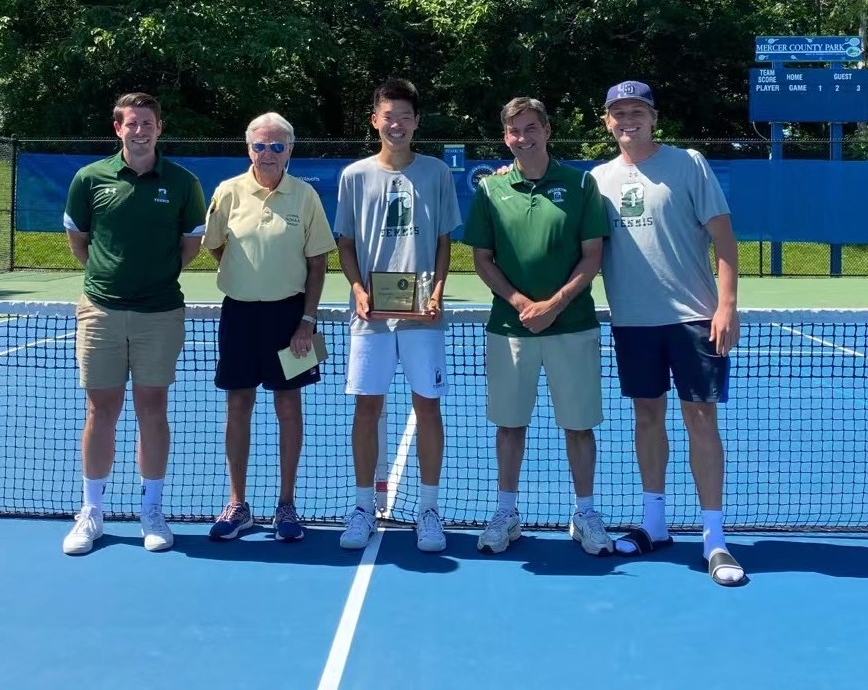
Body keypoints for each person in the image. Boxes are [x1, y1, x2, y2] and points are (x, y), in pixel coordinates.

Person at [590, 80, 745, 586]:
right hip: (632, 322)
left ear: (653, 117)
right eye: (618, 112)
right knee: (646, 417)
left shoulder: (689, 164)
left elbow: (723, 237)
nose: (627, 119)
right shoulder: (597, 179)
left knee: (701, 420)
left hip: (693, 319)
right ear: (607, 121)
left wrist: (726, 306)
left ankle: (714, 538)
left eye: (637, 110)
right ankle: (654, 525)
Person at [462, 97, 612, 556]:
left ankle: (584, 512)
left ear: (547, 130)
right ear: (505, 137)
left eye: (530, 128)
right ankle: (506, 512)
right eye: (513, 131)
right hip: (510, 328)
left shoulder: (581, 184)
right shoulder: (490, 190)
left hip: (573, 327)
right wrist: (522, 302)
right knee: (510, 425)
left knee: (578, 426)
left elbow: (592, 257)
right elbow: (482, 259)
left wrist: (555, 303)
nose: (522, 138)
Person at [60, 92, 207, 555]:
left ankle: (152, 510)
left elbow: (189, 246)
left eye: (148, 123)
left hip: (160, 312)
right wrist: (110, 281)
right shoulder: (89, 179)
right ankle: (92, 511)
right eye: (132, 123)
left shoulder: (183, 183)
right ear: (117, 128)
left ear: (160, 127)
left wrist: (152, 280)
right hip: (100, 311)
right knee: (100, 411)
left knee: (152, 409)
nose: (139, 131)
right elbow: (78, 241)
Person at [334, 78, 461, 553]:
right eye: (388, 116)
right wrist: (357, 289)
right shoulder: (354, 176)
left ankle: (429, 508)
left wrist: (440, 289)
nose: (397, 124)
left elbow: (446, 242)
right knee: (367, 407)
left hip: (423, 317)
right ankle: (363, 506)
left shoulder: (436, 174)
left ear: (416, 122)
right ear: (375, 120)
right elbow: (345, 243)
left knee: (428, 407)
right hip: (370, 317)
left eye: (405, 116)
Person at [202, 112, 336, 543]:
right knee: (237, 406)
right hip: (238, 315)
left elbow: (318, 263)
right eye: (260, 146)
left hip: (290, 318)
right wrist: (246, 278)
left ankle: (286, 505)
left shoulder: (305, 197)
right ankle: (237, 504)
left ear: (290, 150)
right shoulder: (227, 193)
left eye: (277, 146)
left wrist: (306, 321)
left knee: (288, 407)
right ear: (249, 149)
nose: (268, 154)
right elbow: (216, 246)